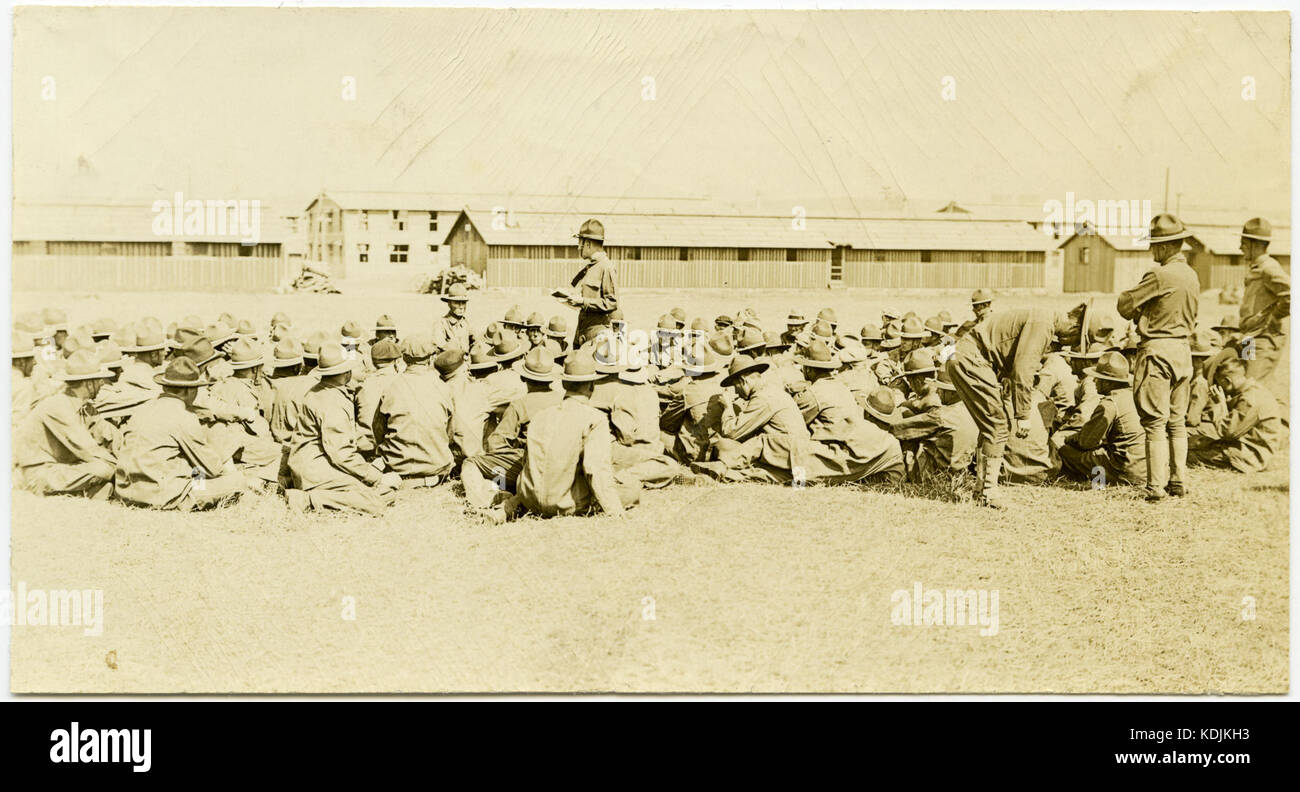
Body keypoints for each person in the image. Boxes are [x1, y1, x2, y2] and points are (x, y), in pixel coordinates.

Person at [945, 302, 1094, 507]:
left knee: (990, 425)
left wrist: (1005, 379)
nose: (1067, 343)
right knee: (997, 425)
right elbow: (1023, 369)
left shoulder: (1041, 315)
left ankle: (981, 488)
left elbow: (1008, 352)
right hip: (972, 360)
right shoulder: (1044, 323)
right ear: (1075, 327)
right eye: (1074, 339)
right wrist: (1022, 415)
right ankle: (989, 492)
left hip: (964, 357)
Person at [488, 350, 637, 522]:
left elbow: (527, 463)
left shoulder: (540, 416)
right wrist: (615, 511)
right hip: (566, 504)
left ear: (564, 384)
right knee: (631, 488)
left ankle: (507, 508)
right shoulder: (595, 419)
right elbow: (595, 469)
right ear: (591, 386)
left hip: (530, 500)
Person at [1117, 213, 1200, 502]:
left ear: (1165, 247)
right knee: (1176, 422)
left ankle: (1155, 488)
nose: (1153, 250)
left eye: (1155, 244)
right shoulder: (1192, 275)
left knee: (1154, 423)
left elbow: (1125, 304)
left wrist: (1140, 310)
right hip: (1183, 352)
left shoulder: (1159, 275)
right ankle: (1178, 481)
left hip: (1158, 351)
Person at [114, 358, 251, 510]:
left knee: (194, 467)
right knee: (237, 481)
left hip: (125, 491)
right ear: (189, 390)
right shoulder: (184, 416)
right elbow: (211, 468)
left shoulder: (143, 408)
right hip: (160, 495)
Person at [287, 344, 401, 515]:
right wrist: (376, 477)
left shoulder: (321, 391)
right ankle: (306, 500)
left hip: (312, 463)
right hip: (316, 469)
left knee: (381, 492)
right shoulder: (333, 402)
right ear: (346, 373)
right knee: (376, 500)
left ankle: (316, 496)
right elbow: (341, 454)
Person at [792, 340, 904, 485]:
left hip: (837, 452)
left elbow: (794, 421)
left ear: (809, 369)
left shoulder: (814, 393)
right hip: (854, 446)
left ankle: (798, 484)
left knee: (794, 451)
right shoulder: (841, 386)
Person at [461, 346, 562, 507]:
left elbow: (497, 444)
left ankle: (493, 494)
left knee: (471, 463)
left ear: (523, 378)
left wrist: (500, 479)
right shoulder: (563, 399)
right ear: (551, 378)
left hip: (530, 464)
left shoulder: (520, 405)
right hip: (563, 467)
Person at [14, 349, 117, 498]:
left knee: (105, 472)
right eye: (99, 379)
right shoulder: (58, 406)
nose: (102, 384)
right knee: (103, 469)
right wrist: (124, 468)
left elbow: (108, 434)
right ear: (88, 383)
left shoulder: (82, 405)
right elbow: (89, 450)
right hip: (38, 473)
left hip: (60, 468)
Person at [709, 355, 811, 484]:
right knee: (759, 475)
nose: (736, 392)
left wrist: (728, 407)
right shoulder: (771, 391)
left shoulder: (763, 398)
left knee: (724, 444)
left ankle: (721, 467)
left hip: (786, 451)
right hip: (796, 457)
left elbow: (732, 432)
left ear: (743, 380)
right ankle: (718, 474)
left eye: (735, 386)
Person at [372, 335, 456, 487]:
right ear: (431, 358)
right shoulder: (444, 388)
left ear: (403, 358)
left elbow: (378, 430)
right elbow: (450, 433)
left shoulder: (391, 388)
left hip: (398, 469)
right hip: (436, 469)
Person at [1058, 351, 1146, 486]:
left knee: (1066, 452)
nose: (1094, 381)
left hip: (1124, 470)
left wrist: (1068, 438)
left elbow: (1086, 442)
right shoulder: (1136, 397)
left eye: (1098, 378)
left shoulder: (1109, 404)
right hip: (1147, 469)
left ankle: (1096, 480)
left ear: (1108, 383)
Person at [1188, 355, 1283, 473]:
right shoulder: (1253, 390)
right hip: (1247, 447)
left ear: (1227, 381)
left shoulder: (1250, 399)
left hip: (1251, 456)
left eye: (1219, 383)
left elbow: (1227, 432)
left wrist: (1219, 404)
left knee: (1185, 454)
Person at [1235, 217, 1290, 384]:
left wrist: (1274, 317)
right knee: (1245, 383)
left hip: (1262, 339)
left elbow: (1291, 294)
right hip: (1249, 337)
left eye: (1244, 243)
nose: (1240, 247)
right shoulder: (1257, 268)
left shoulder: (1269, 268)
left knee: (1252, 388)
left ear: (1257, 245)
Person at [555, 218, 618, 342]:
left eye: (580, 242)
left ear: (588, 243)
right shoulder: (591, 267)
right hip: (583, 329)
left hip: (596, 333)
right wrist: (573, 299)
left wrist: (583, 301)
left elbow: (612, 302)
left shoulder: (606, 267)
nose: (578, 247)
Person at [354, 339, 401, 458]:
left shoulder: (362, 387)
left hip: (365, 450)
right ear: (396, 361)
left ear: (373, 362)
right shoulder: (403, 384)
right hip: (393, 450)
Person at [432, 283, 472, 353]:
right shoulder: (441, 324)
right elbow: (440, 346)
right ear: (449, 304)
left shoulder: (466, 323)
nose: (461, 307)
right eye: (457, 303)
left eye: (464, 303)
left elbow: (475, 342)